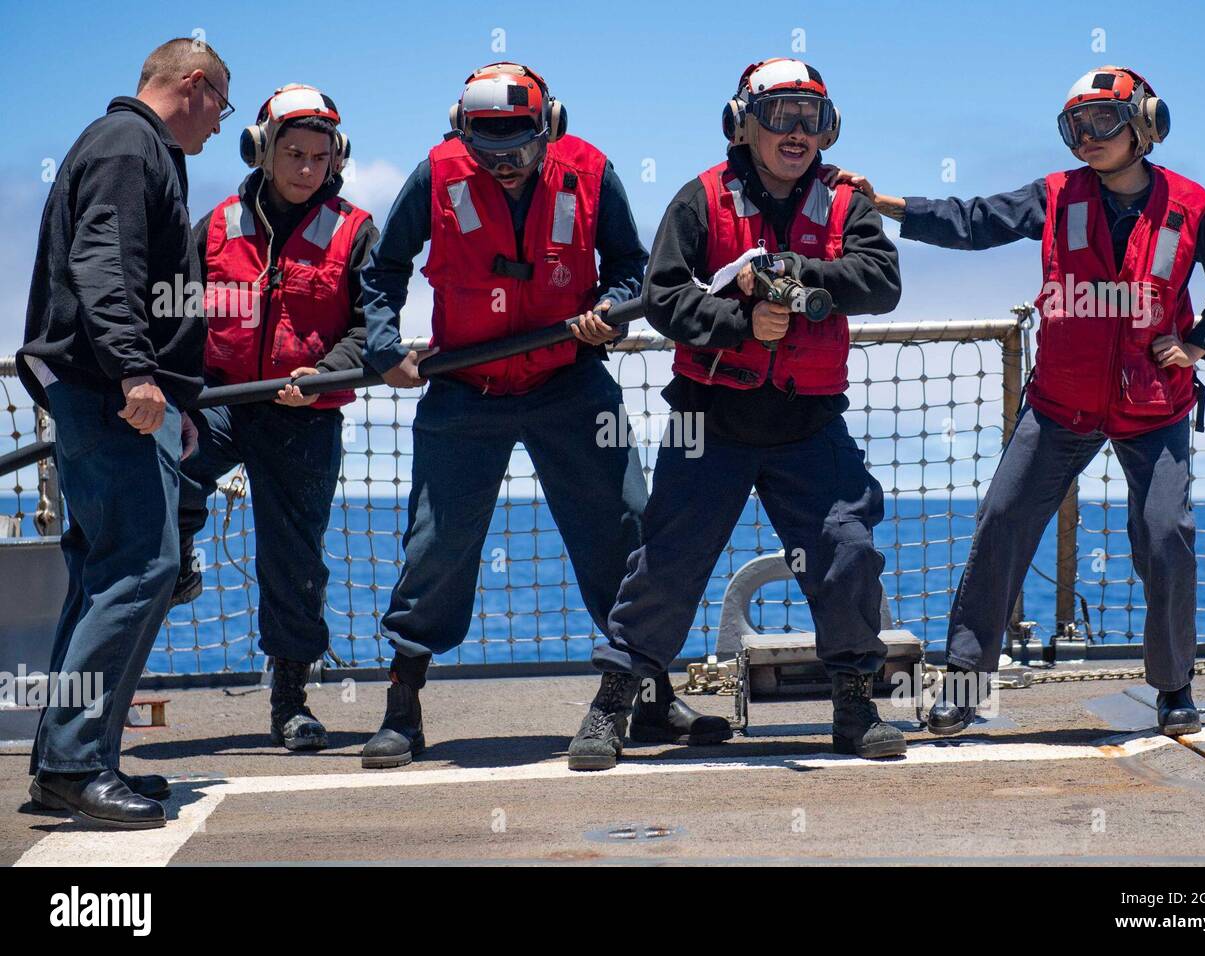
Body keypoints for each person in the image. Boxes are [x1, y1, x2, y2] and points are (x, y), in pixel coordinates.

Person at [837, 66, 1205, 736]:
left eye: (1103, 123)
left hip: (1154, 407)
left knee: (1165, 536)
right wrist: (886, 204)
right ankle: (967, 687)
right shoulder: (1056, 196)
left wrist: (1201, 346)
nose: (1087, 138)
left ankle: (1174, 689)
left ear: (1145, 126)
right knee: (1001, 520)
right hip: (1062, 402)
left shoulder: (1193, 206)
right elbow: (973, 221)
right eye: (1077, 126)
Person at [360, 62, 731, 768]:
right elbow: (383, 272)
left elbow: (633, 267)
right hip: (465, 386)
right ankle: (402, 709)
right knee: (434, 544)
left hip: (569, 381)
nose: (503, 163)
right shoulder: (435, 175)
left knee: (626, 525)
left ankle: (647, 694)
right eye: (486, 147)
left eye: (519, 146)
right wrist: (384, 349)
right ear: (460, 130)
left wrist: (609, 317)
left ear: (549, 126)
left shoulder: (592, 173)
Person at [567, 57, 905, 771]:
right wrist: (741, 322)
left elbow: (881, 283)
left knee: (848, 552)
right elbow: (662, 297)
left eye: (809, 117)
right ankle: (614, 704)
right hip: (709, 420)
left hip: (807, 424)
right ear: (742, 123)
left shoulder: (847, 204)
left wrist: (794, 274)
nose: (795, 130)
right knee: (666, 564)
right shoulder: (699, 200)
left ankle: (854, 701)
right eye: (779, 114)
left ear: (828, 127)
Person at [16, 38, 231, 828]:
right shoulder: (127, 146)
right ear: (195, 85)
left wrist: (177, 399)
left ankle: (72, 762)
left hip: (115, 394)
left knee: (111, 572)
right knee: (142, 566)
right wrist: (139, 374)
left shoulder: (135, 149)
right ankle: (74, 763)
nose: (217, 129)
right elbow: (104, 263)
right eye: (220, 109)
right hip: (111, 394)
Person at [175, 85, 377, 751]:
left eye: (320, 158)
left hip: (306, 418)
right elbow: (172, 316)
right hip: (223, 401)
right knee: (168, 474)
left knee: (294, 564)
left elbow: (371, 329)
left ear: (336, 159)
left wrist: (321, 379)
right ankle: (176, 562)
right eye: (292, 154)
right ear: (261, 151)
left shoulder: (356, 231)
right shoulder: (212, 228)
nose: (306, 169)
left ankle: (290, 700)